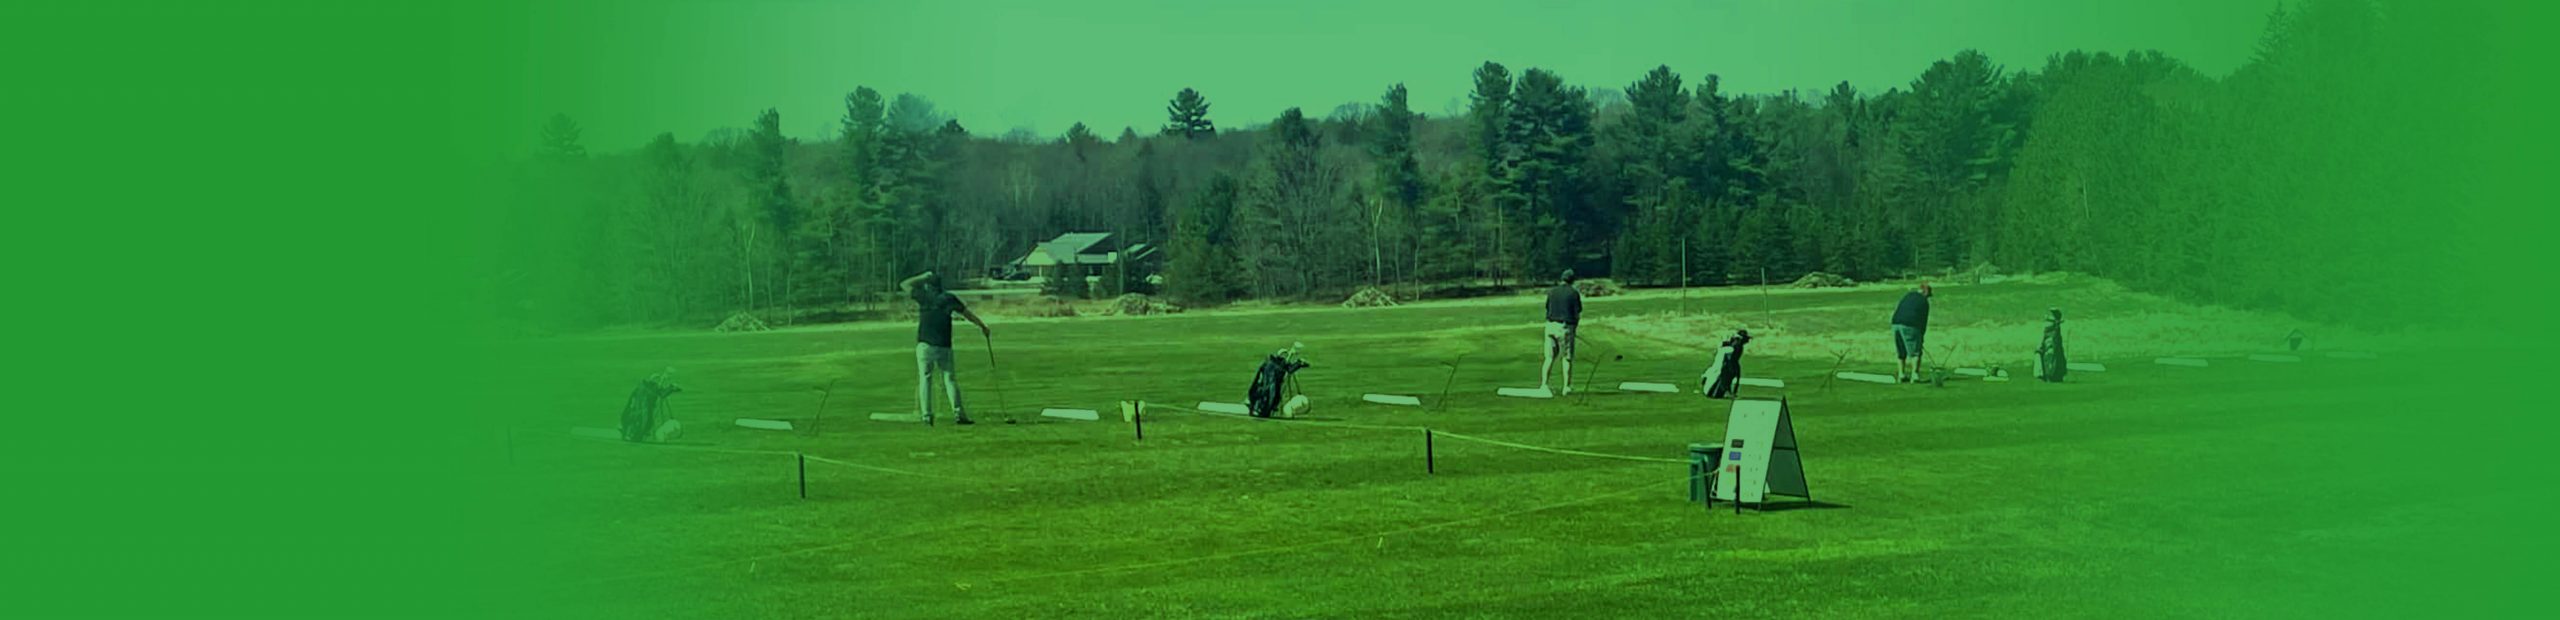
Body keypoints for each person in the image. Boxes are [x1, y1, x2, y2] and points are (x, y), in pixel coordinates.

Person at [900, 271, 990, 426]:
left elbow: (904, 284)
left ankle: (927, 416)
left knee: (925, 379)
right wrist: (982, 326)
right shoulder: (948, 298)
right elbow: (967, 314)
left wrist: (922, 277)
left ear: (928, 285)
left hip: (925, 345)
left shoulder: (923, 296)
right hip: (943, 345)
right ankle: (959, 414)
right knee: (950, 380)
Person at [1541, 269, 1583, 395]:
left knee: (1549, 358)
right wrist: (1574, 328)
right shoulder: (1573, 293)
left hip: (1550, 326)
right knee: (1566, 358)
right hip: (1564, 327)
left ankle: (1544, 385)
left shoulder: (1552, 291)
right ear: (1572, 280)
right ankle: (1566, 387)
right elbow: (1577, 313)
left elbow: (1547, 308)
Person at [1247, 343, 1312, 418]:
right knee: (1271, 396)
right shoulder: (1277, 365)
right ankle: (1263, 409)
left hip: (1266, 387)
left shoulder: (1269, 362)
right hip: (1270, 387)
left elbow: (1288, 369)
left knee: (1268, 395)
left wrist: (1298, 363)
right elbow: (1290, 369)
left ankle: (1260, 408)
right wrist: (1299, 363)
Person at [618, 368, 683, 442]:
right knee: (644, 423)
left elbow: (632, 398)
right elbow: (662, 394)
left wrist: (670, 387)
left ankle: (630, 434)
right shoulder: (652, 389)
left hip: (636, 409)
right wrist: (671, 388)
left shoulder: (641, 386)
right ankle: (634, 436)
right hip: (644, 410)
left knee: (638, 421)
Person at [1892, 283, 1932, 383]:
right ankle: (1915, 375)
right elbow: (1923, 321)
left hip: (1895, 323)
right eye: (1928, 295)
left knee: (1901, 352)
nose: (1928, 298)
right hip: (1910, 324)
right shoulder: (1924, 302)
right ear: (1926, 292)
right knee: (1915, 352)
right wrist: (1921, 337)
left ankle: (1901, 375)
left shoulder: (1909, 295)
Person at [1701, 329, 1751, 399]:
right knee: (1726, 373)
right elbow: (1726, 367)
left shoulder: (1727, 349)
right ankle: (1726, 391)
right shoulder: (1731, 350)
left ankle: (1725, 391)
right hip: (1712, 388)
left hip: (1710, 384)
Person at [2035, 308, 2068, 383]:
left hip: (2054, 345)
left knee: (2054, 359)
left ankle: (2053, 375)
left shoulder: (2054, 328)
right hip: (2050, 345)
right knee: (2049, 359)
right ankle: (2049, 375)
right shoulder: (2050, 328)